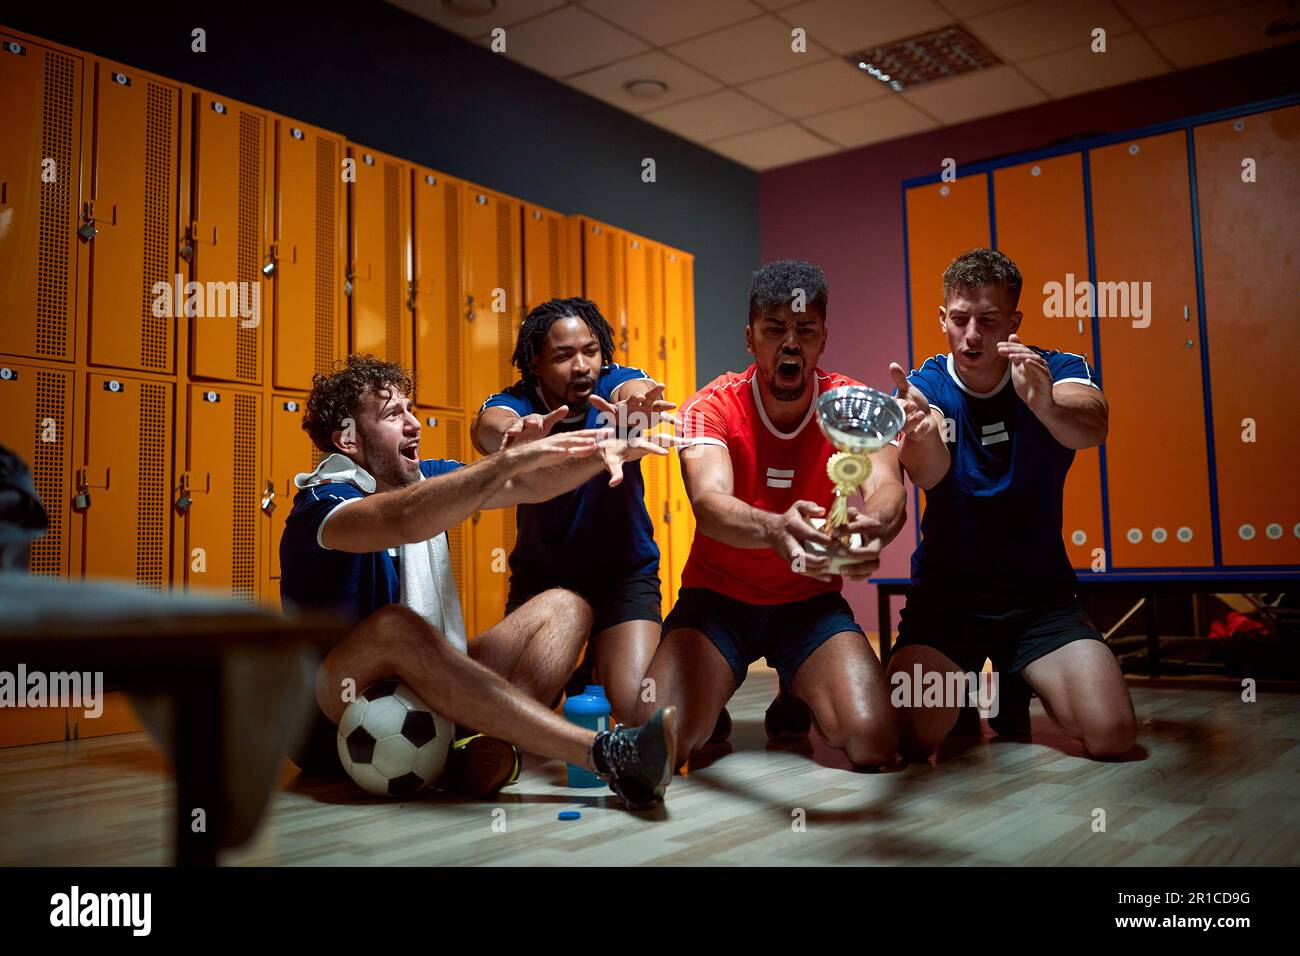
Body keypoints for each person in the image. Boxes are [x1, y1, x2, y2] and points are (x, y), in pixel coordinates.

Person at [280, 354, 678, 809]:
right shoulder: (320, 503)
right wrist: (503, 463)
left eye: (411, 410)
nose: (414, 425)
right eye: (394, 416)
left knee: (567, 607)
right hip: (329, 713)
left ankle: (487, 748)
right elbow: (404, 516)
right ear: (347, 440)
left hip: (416, 692)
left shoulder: (427, 477)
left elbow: (529, 486)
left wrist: (604, 446)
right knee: (396, 627)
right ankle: (607, 755)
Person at [636, 260, 908, 770]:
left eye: (805, 330)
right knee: (660, 743)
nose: (791, 343)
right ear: (750, 338)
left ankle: (794, 693)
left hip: (808, 604)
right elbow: (709, 504)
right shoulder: (709, 406)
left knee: (874, 741)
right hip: (717, 603)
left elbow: (889, 487)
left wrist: (875, 524)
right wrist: (774, 528)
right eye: (774, 329)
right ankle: (709, 705)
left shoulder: (855, 404)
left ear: (823, 338)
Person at [887, 248, 1137, 760]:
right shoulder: (928, 383)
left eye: (988, 319)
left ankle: (1009, 680)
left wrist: (1043, 402)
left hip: (1038, 599)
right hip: (948, 598)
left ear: (1014, 321)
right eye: (959, 320)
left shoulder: (1054, 369)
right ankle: (973, 689)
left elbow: (1093, 424)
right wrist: (917, 433)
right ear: (943, 319)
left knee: (1111, 735)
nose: (972, 335)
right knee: (905, 741)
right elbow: (928, 469)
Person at [471, 297, 677, 725]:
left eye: (591, 350)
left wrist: (634, 411)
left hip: (624, 576)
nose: (582, 365)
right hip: (543, 581)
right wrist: (513, 439)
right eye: (563, 356)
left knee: (638, 708)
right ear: (535, 363)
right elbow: (489, 424)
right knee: (523, 710)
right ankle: (581, 672)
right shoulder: (522, 403)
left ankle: (610, 670)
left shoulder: (613, 384)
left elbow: (634, 391)